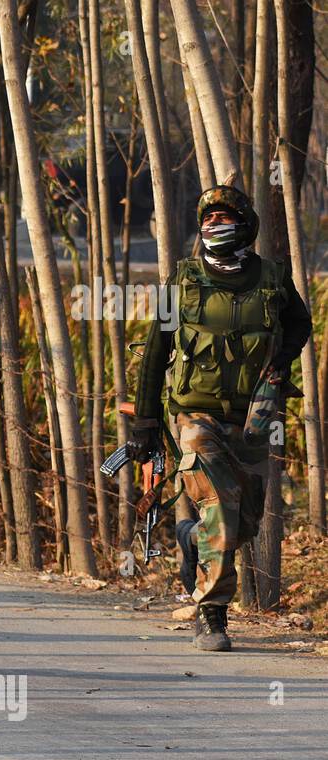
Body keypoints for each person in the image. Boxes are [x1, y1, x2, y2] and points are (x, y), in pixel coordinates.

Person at [130, 184, 312, 651]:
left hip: (252, 418)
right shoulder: (183, 281)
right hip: (194, 417)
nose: (215, 225)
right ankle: (212, 615)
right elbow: (155, 353)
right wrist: (145, 424)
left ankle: (191, 540)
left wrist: (282, 360)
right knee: (221, 504)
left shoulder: (272, 278)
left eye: (225, 217)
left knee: (243, 523)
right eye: (208, 219)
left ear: (246, 224)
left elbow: (300, 323)